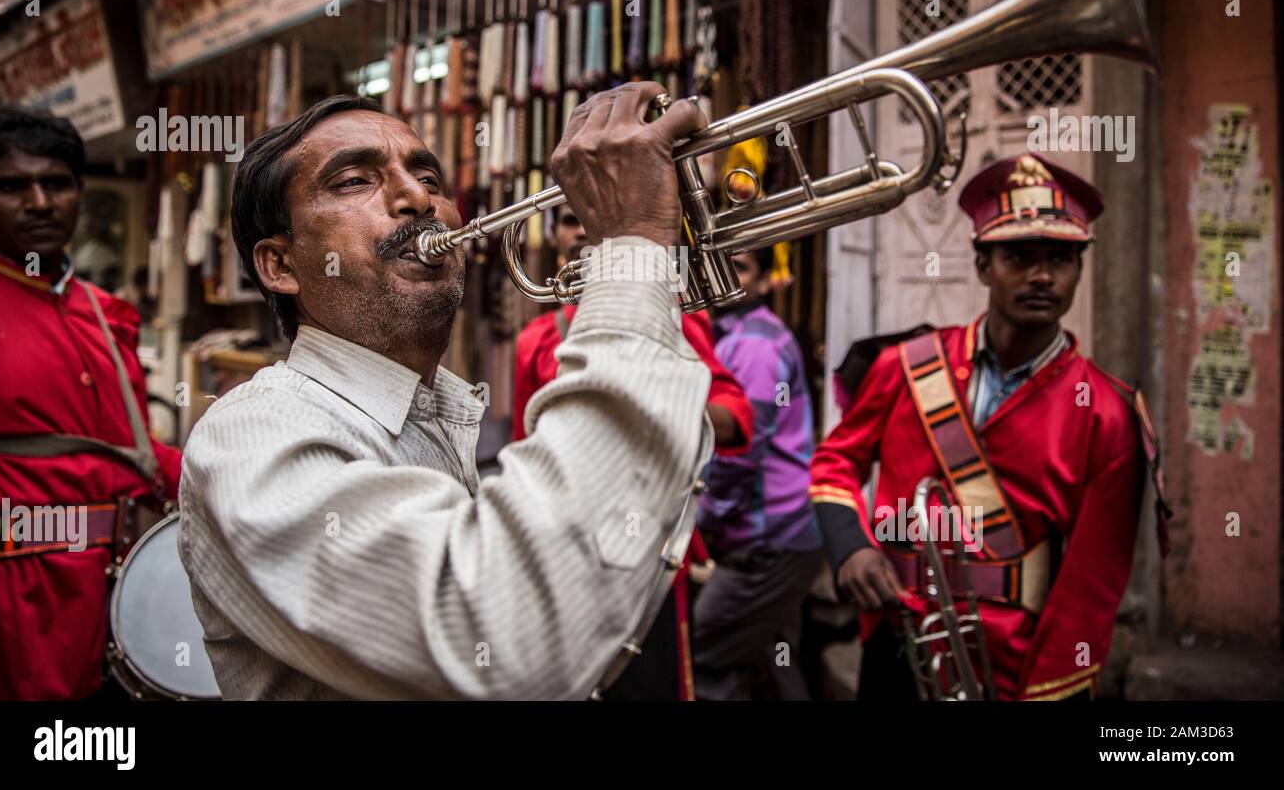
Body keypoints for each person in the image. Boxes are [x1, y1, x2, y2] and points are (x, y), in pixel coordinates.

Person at [179, 84, 717, 699]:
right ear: (280, 265)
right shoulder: (252, 433)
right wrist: (633, 250)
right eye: (354, 180)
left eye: (428, 177)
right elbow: (502, 638)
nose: (416, 198)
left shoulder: (436, 412)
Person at [810, 153, 1155, 701]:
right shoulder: (905, 364)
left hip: (1011, 663)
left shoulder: (1108, 413)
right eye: (1019, 257)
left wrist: (1050, 690)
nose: (1042, 276)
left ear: (1079, 270)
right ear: (982, 266)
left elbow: (1092, 586)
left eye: (1061, 259)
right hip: (897, 632)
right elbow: (835, 462)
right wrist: (851, 546)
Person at [512, 200, 754, 700]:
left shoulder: (672, 319)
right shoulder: (534, 340)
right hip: (565, 559)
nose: (581, 230)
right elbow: (524, 450)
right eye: (570, 221)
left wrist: (652, 403)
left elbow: (734, 416)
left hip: (645, 557)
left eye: (591, 216)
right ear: (556, 238)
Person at [0, 106, 182, 699]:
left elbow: (135, 454)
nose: (40, 202)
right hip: (6, 599)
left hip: (109, 592)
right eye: (11, 186)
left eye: (58, 184)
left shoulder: (104, 311)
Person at [692, 247, 822, 700]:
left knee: (703, 658)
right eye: (719, 262)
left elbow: (740, 454)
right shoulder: (734, 334)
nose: (725, 275)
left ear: (767, 281)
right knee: (772, 661)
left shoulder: (754, 345)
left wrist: (701, 522)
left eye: (741, 267)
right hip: (782, 538)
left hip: (768, 540)